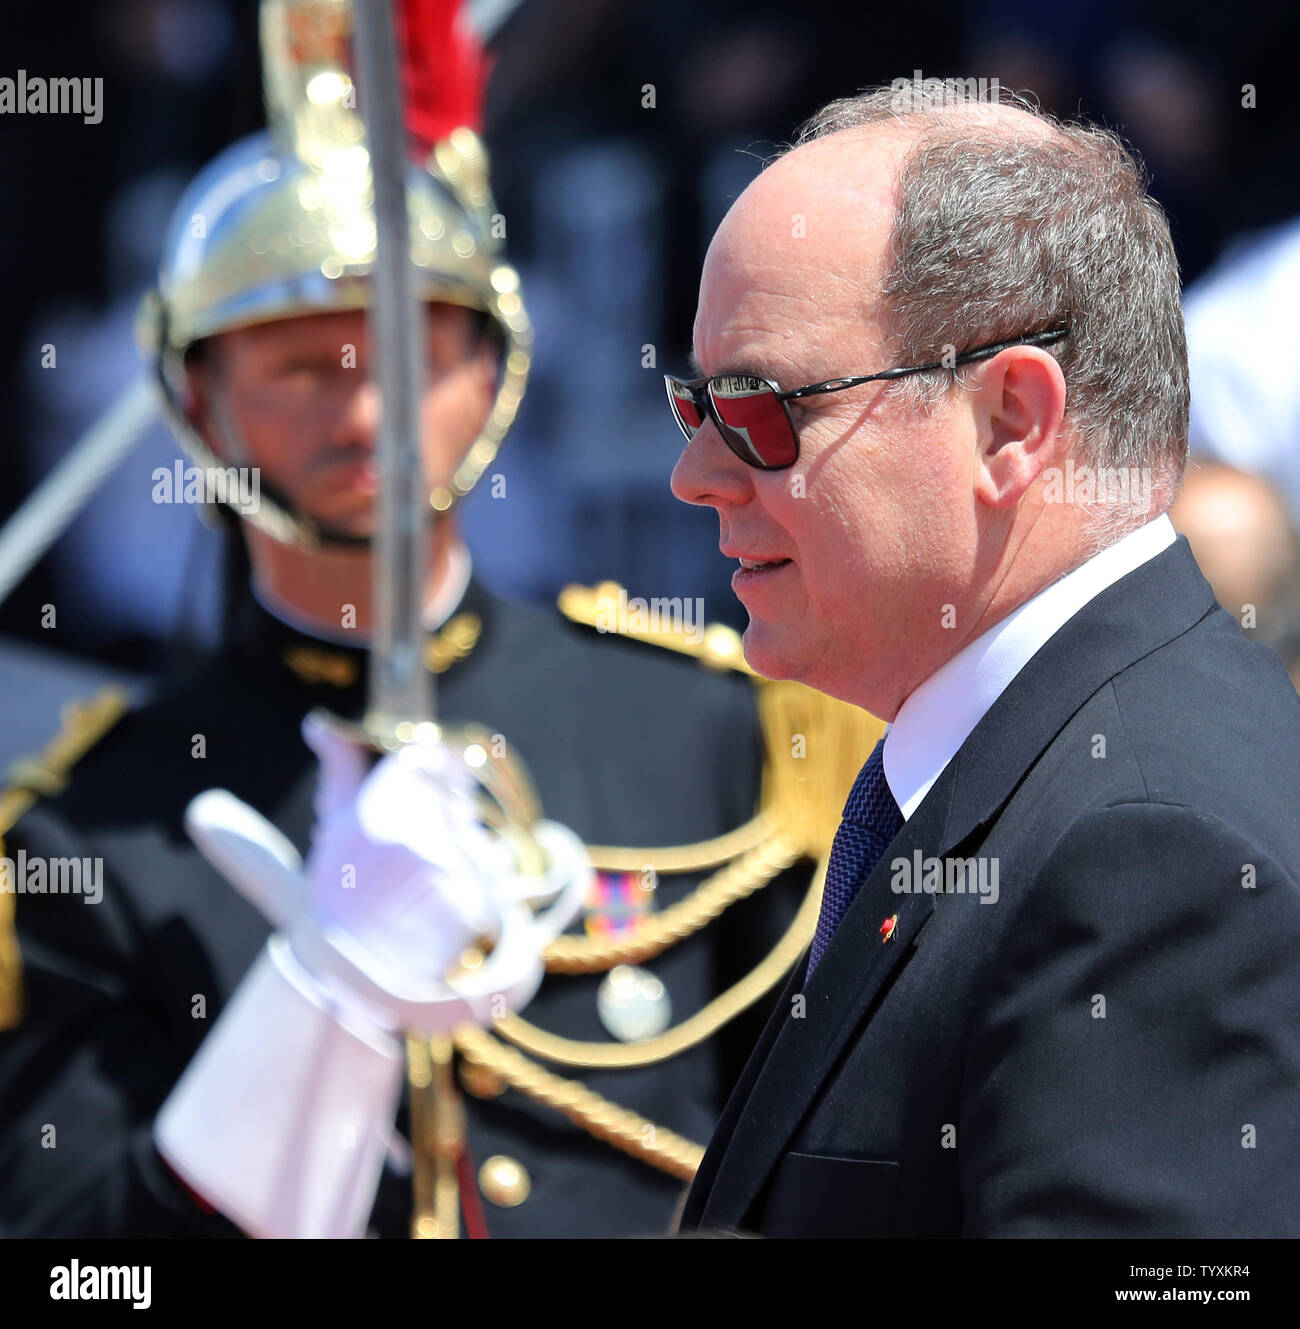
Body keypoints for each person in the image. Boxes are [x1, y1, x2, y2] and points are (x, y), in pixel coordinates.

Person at [0, 0, 871, 1240]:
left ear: (493, 369)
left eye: (410, 354)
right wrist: (316, 1000)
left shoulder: (709, 728)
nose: (366, 417)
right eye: (303, 364)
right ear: (198, 399)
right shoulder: (90, 828)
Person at [666, 83, 1300, 1238]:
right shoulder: (1050, 771)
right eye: (692, 406)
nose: (697, 476)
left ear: (1008, 421)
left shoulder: (1149, 854)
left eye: (758, 410)